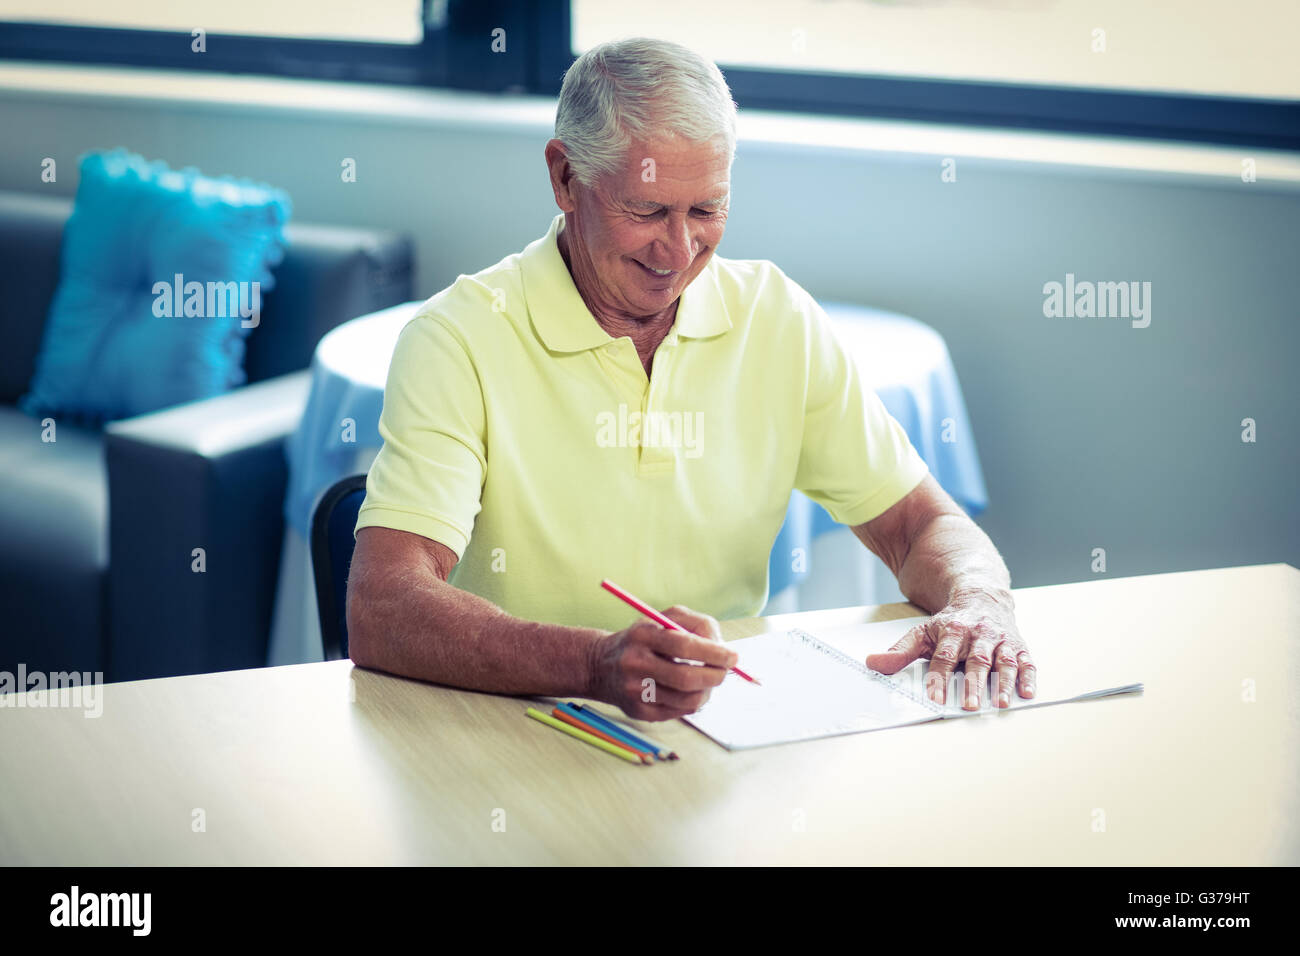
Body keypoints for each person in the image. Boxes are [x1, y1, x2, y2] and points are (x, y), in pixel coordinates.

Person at [347, 37, 1035, 721]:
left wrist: (980, 597)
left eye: (706, 211)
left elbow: (921, 525)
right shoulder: (458, 338)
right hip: (513, 728)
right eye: (646, 211)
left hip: (716, 729)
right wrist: (593, 663)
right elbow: (382, 604)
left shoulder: (776, 317)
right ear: (565, 179)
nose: (678, 251)